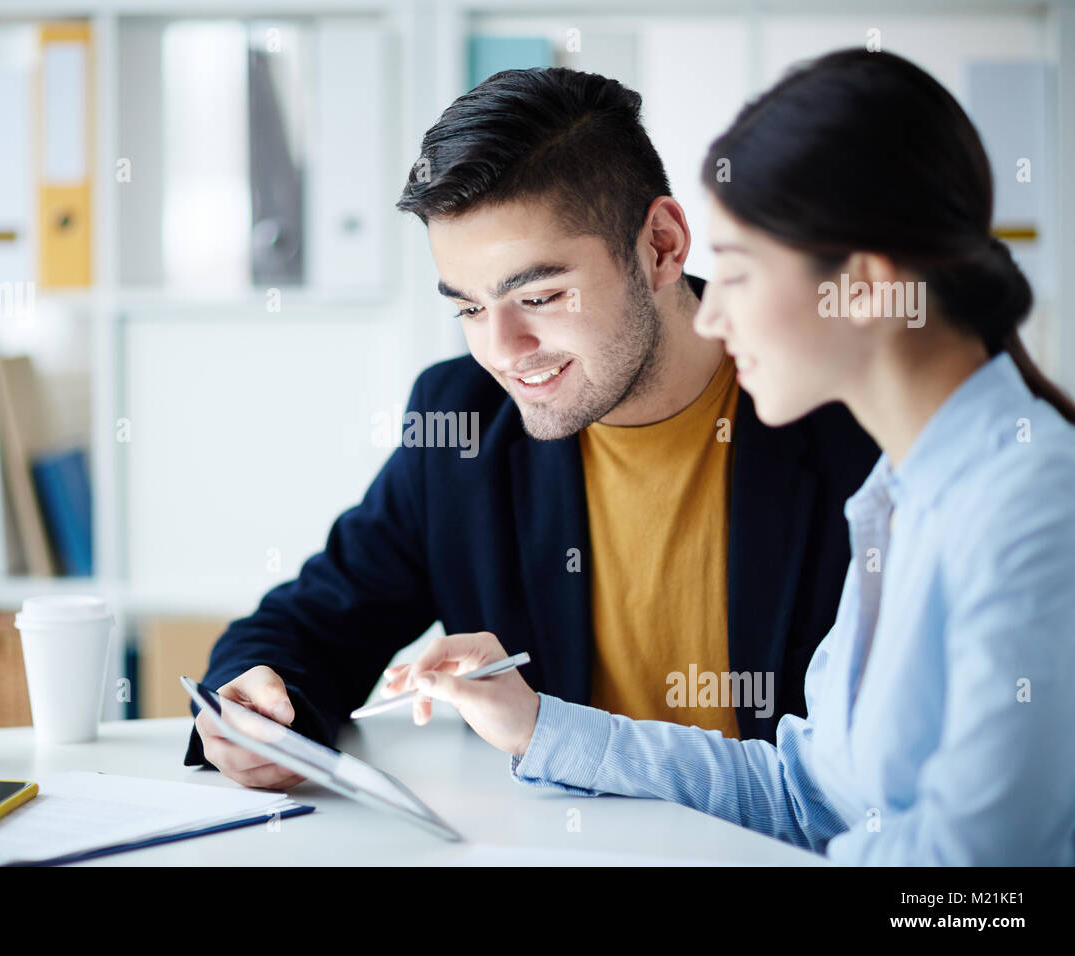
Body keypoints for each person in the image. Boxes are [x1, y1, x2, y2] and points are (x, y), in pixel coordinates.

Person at [387, 49, 1075, 865]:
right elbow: (804, 798)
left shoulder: (1033, 508)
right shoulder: (900, 493)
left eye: (739, 273)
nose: (711, 320)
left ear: (862, 286)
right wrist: (538, 726)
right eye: (471, 307)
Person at [186, 67, 878, 789]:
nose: (501, 351)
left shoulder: (837, 408)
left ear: (662, 246)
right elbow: (311, 626)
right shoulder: (461, 422)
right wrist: (260, 706)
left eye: (540, 296)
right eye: (469, 308)